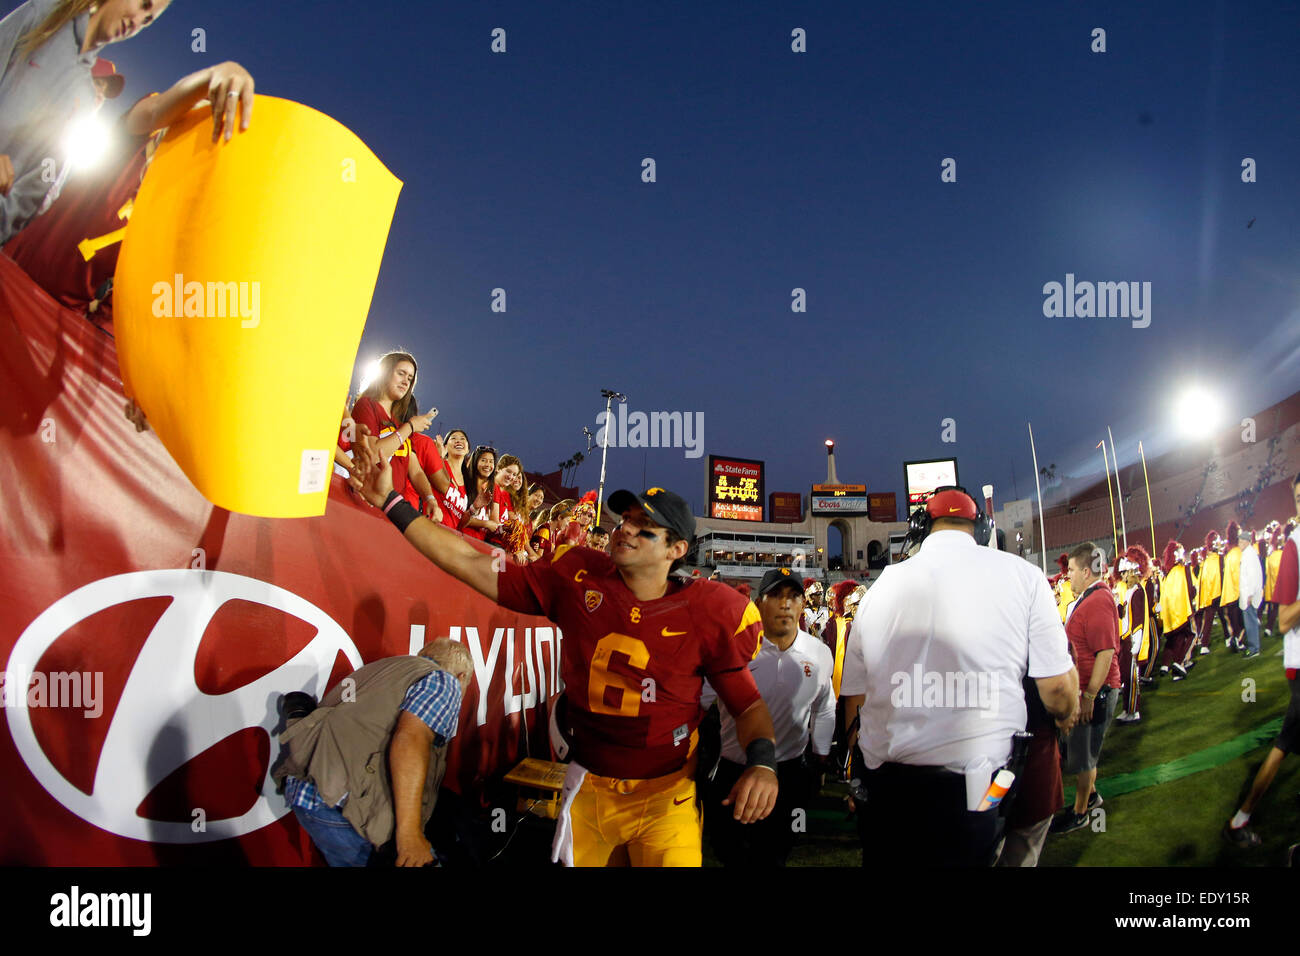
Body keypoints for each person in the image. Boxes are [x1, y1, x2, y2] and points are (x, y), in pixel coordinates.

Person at [351, 450, 780, 867]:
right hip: (591, 783)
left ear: (676, 549)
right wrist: (391, 502)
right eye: (626, 519)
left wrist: (762, 763)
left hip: (669, 796)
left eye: (644, 526)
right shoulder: (578, 576)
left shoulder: (711, 612)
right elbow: (468, 560)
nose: (624, 529)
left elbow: (748, 706)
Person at [840, 487, 1078, 867]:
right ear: (981, 528)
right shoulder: (1025, 577)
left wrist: (859, 774)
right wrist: (1067, 713)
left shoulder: (878, 588)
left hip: (887, 789)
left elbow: (854, 698)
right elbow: (1057, 690)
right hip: (982, 786)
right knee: (984, 849)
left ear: (921, 528)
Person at [3, 59, 255, 322]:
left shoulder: (171, 215)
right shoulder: (129, 148)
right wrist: (214, 75)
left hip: (55, 321)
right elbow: (155, 110)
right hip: (12, 269)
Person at [272, 637, 474, 867]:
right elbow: (410, 740)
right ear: (461, 676)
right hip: (340, 805)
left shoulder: (384, 669)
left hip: (308, 789)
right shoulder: (444, 681)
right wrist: (409, 837)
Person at [1, 0, 183, 244]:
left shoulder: (86, 100)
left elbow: (32, 195)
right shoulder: (44, 14)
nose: (138, 21)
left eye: (148, 19)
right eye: (143, 5)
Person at [701, 567, 834, 867]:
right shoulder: (733, 650)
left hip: (789, 773)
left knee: (776, 854)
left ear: (802, 604)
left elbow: (825, 706)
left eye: (793, 596)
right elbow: (698, 701)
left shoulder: (819, 652)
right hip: (734, 771)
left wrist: (820, 757)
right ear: (759, 603)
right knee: (730, 853)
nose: (785, 603)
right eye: (775, 595)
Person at [1224, 474, 1300, 847]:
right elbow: (1285, 618)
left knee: (1288, 741)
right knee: (1286, 740)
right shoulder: (1294, 545)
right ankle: (1240, 819)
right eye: (1298, 499)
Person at [1051, 541, 1121, 835]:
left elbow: (1106, 652)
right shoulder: (1090, 598)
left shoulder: (1098, 600)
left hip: (1097, 691)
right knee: (1082, 751)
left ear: (1086, 571)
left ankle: (1080, 813)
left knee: (1084, 754)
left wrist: (1090, 694)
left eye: (1071, 571)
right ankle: (1090, 796)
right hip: (1092, 689)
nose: (1068, 577)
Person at [349, 353, 438, 507]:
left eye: (410, 378)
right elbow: (372, 455)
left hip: (391, 507)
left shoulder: (398, 422)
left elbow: (415, 471)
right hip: (365, 502)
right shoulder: (367, 405)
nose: (405, 382)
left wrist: (430, 499)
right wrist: (410, 427)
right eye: (401, 373)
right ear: (385, 373)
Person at [1115, 547, 1151, 724]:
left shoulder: (1137, 591)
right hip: (1126, 638)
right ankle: (1127, 708)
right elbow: (1125, 614)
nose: (1121, 576)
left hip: (1132, 639)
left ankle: (1133, 711)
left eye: (1124, 573)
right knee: (1127, 677)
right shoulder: (1130, 591)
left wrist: (1136, 641)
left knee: (1132, 676)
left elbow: (1138, 619)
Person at [1157, 540, 1197, 681]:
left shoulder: (1169, 574)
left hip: (1171, 614)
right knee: (1192, 635)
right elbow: (1190, 590)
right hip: (1182, 610)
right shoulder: (1182, 569)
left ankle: (1175, 672)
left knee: (1178, 639)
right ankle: (1179, 663)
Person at [459, 445, 499, 541]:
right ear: (475, 461)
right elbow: (459, 516)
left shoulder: (493, 488)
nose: (488, 465)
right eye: (483, 460)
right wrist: (485, 523)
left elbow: (494, 523)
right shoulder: (464, 481)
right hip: (460, 538)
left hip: (478, 543)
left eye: (491, 462)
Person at [1238, 527, 1264, 658]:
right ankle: (1253, 647)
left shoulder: (1249, 554)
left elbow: (1252, 576)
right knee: (1250, 622)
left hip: (1249, 594)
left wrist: (1249, 594)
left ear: (1246, 541)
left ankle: (1254, 649)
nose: (1239, 544)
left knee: (1251, 622)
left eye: (1241, 542)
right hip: (1248, 593)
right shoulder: (1248, 553)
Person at [1222, 522, 1245, 652]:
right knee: (1240, 622)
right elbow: (1238, 575)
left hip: (1230, 594)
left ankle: (1235, 639)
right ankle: (1237, 640)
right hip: (1236, 593)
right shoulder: (1237, 553)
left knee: (1234, 621)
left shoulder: (1230, 553)